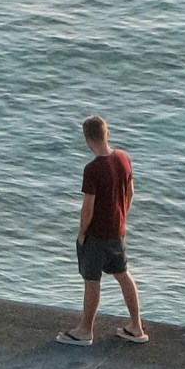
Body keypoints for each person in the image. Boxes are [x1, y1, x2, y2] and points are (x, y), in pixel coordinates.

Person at [63, 114, 147, 344]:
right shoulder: (123, 158)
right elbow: (130, 193)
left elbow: (88, 208)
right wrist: (121, 217)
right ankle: (136, 327)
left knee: (92, 281)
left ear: (88, 138)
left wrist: (82, 233)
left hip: (97, 234)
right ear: (106, 133)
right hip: (117, 230)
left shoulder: (92, 169)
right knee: (123, 275)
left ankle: (85, 331)